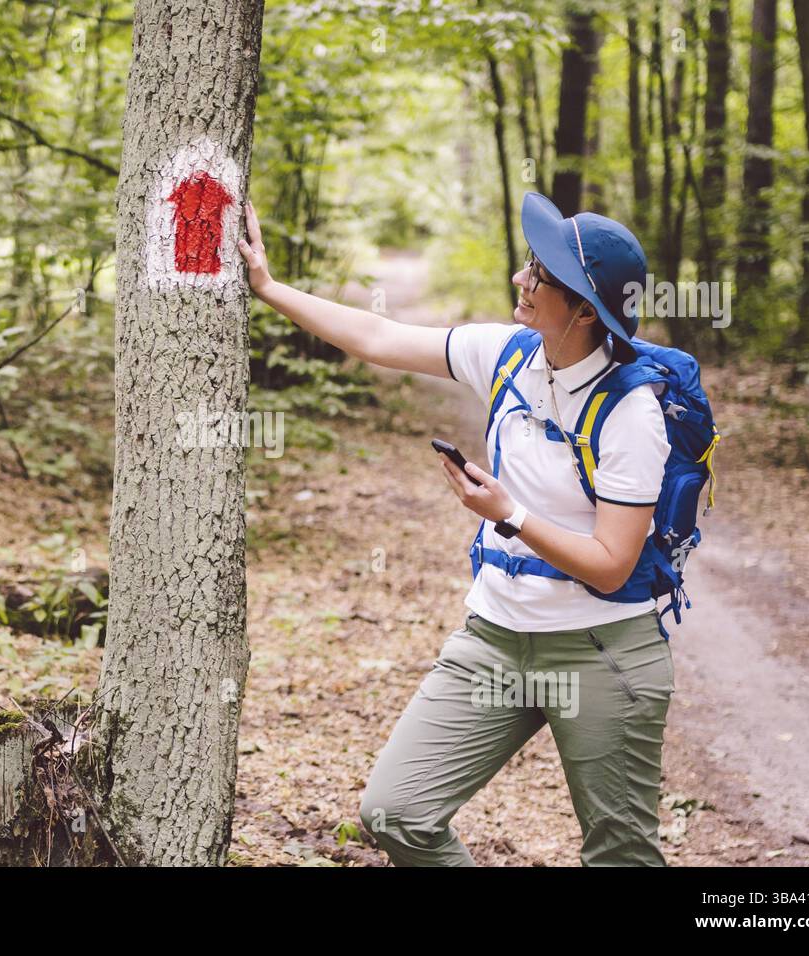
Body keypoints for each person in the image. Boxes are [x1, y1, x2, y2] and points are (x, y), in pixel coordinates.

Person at [237, 191, 675, 866]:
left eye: (540, 274)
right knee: (397, 811)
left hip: (602, 652)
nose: (520, 279)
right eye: (529, 264)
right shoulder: (507, 354)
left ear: (586, 311)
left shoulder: (631, 414)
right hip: (495, 639)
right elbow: (377, 337)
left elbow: (613, 563)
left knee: (620, 855)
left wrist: (511, 516)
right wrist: (268, 287)